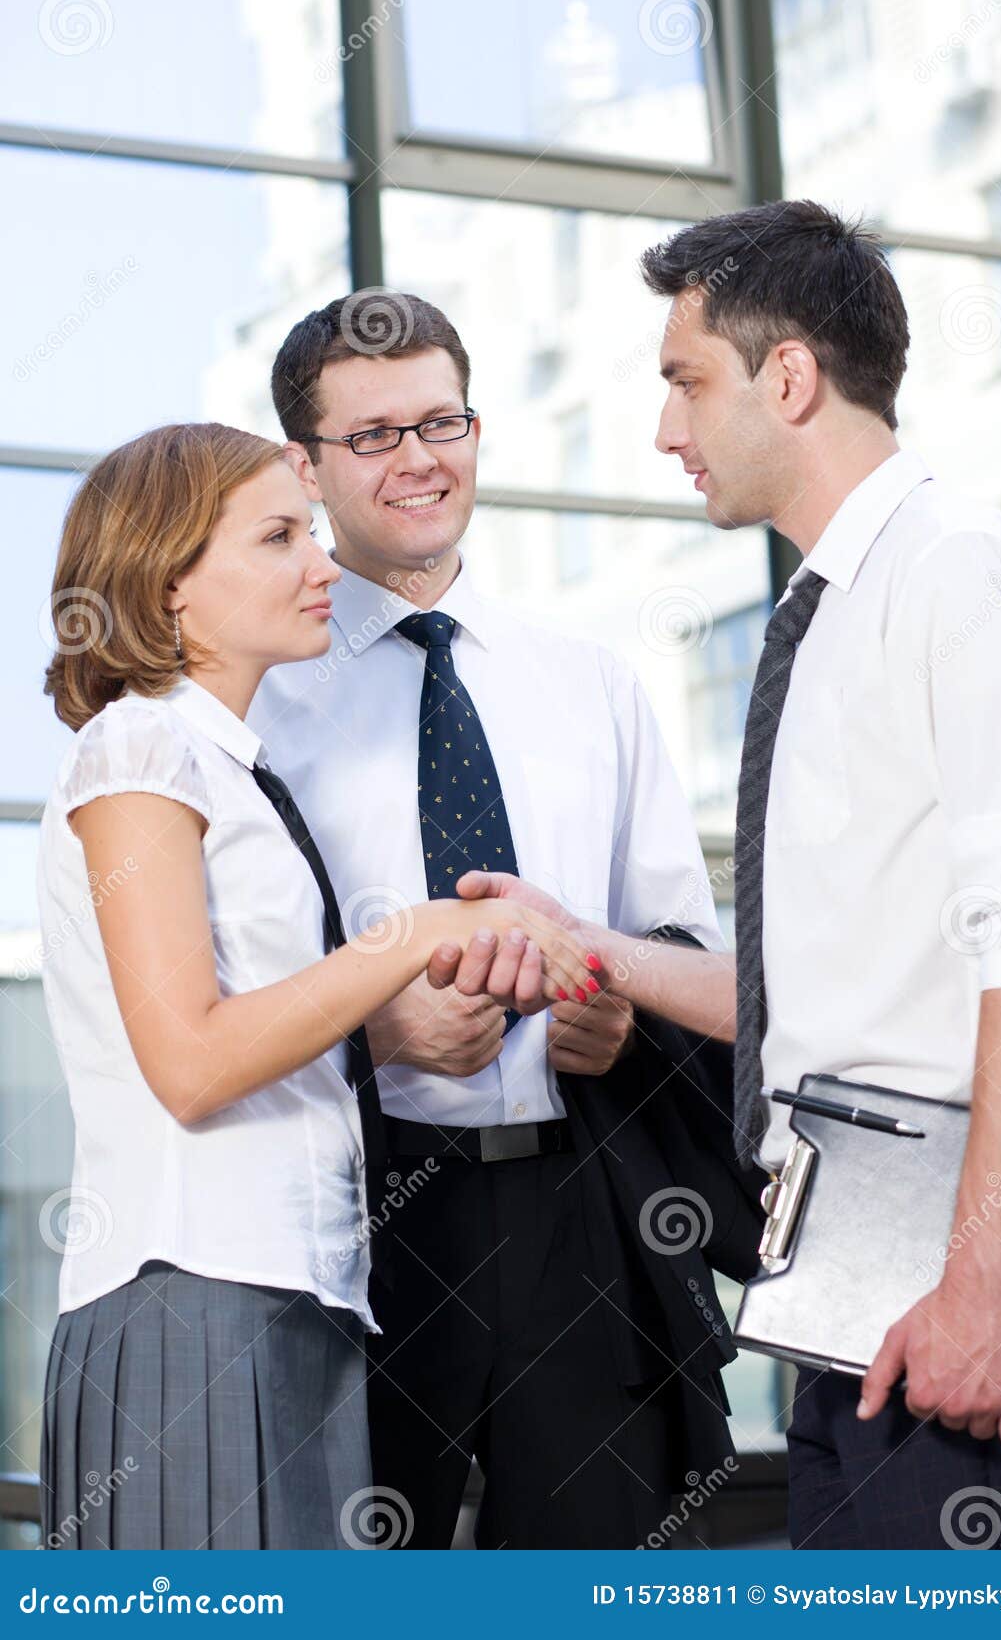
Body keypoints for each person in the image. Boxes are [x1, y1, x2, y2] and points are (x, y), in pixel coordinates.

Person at [249, 292, 759, 1549]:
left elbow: (680, 947)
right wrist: (376, 1035)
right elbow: (212, 999)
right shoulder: (257, 703)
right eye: (372, 436)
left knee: (606, 1580)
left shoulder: (590, 683)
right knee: (363, 1590)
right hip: (360, 1227)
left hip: (581, 1210)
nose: (419, 458)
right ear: (305, 468)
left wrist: (616, 1015)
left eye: (443, 421)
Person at [36, 421, 591, 1551]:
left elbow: (243, 1031)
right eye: (279, 536)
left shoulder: (229, 768)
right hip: (195, 1289)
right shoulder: (140, 751)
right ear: (169, 583)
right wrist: (413, 937)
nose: (322, 563)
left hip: (292, 1294)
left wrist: (392, 1030)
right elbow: (189, 1065)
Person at [638, 198, 1001, 1548]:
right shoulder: (825, 610)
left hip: (950, 1279)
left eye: (684, 382)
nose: (665, 432)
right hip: (846, 1285)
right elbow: (814, 991)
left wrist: (984, 1281)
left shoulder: (954, 569)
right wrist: (591, 950)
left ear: (791, 377)